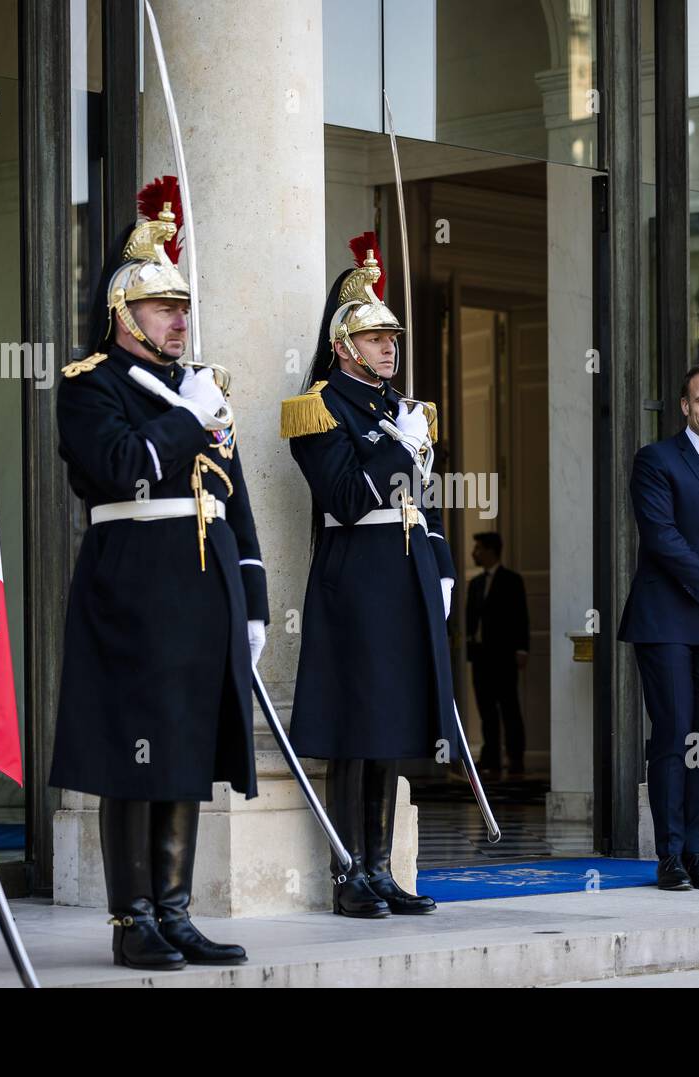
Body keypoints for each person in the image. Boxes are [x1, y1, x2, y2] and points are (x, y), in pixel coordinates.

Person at [49, 177, 267, 969]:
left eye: (182, 307)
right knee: (133, 751)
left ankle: (176, 910)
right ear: (124, 314)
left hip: (205, 586)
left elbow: (232, 499)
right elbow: (119, 466)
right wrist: (186, 417)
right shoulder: (91, 386)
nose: (179, 319)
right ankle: (132, 918)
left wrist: (254, 596)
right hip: (132, 585)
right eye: (163, 306)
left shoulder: (197, 389)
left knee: (186, 749)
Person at [281, 232, 457, 918]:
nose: (390, 347)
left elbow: (426, 502)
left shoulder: (397, 407)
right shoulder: (320, 407)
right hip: (353, 576)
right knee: (355, 727)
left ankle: (382, 867)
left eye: (393, 337)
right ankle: (349, 871)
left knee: (391, 724)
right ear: (345, 344)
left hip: (405, 572)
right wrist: (396, 448)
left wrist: (440, 566)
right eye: (376, 337)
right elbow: (348, 499)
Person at [618, 360, 699, 891]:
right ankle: (669, 855)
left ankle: (698, 852)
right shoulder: (656, 460)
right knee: (674, 735)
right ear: (685, 406)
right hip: (667, 619)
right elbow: (661, 535)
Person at [466, 531, 529, 777]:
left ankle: (515, 759)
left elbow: (520, 617)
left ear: (491, 550)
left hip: (503, 656)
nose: (474, 553)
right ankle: (490, 758)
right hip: (481, 656)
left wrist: (522, 648)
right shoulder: (475, 584)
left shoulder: (512, 580)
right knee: (486, 710)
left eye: (479, 548)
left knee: (509, 708)